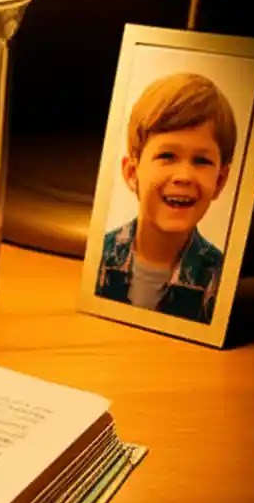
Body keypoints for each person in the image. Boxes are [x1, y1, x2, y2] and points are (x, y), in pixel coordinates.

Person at [95, 72, 237, 324]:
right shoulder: (97, 257)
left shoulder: (223, 280)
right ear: (132, 173)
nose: (183, 176)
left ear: (220, 181)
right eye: (167, 156)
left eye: (201, 161)